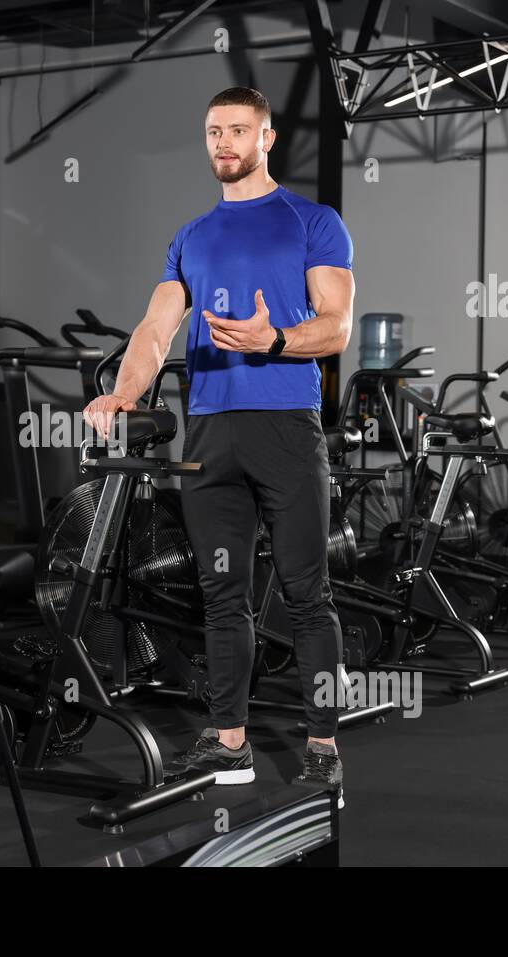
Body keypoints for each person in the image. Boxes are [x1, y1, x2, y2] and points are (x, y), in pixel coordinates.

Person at [82, 86, 354, 788]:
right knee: (222, 593)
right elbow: (154, 329)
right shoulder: (191, 237)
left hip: (287, 427)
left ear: (267, 138)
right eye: (212, 132)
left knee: (307, 593)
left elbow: (337, 325)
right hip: (210, 430)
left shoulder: (312, 221)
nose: (224, 142)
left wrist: (276, 339)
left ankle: (323, 748)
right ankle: (229, 741)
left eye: (238, 130)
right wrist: (125, 390)